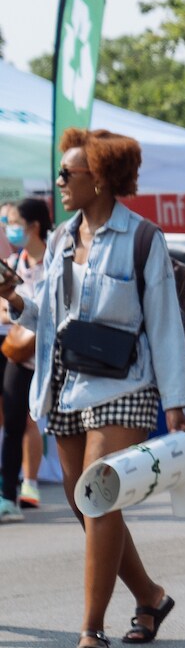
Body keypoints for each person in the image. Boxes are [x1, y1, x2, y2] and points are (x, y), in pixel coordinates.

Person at [0, 131, 185, 648]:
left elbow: (166, 325)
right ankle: (150, 597)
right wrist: (15, 298)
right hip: (64, 382)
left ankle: (90, 627)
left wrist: (175, 402)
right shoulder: (61, 237)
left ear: (100, 178)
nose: (59, 183)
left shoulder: (143, 239)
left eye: (69, 174)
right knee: (86, 506)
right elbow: (49, 316)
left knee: (100, 498)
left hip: (124, 382)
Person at [1, 196, 53, 520]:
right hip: (20, 355)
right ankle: (8, 496)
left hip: (52, 357)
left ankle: (31, 484)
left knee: (38, 423)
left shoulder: (58, 262)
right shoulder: (17, 261)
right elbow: (13, 308)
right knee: (14, 420)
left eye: (14, 224)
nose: (9, 230)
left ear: (34, 227)